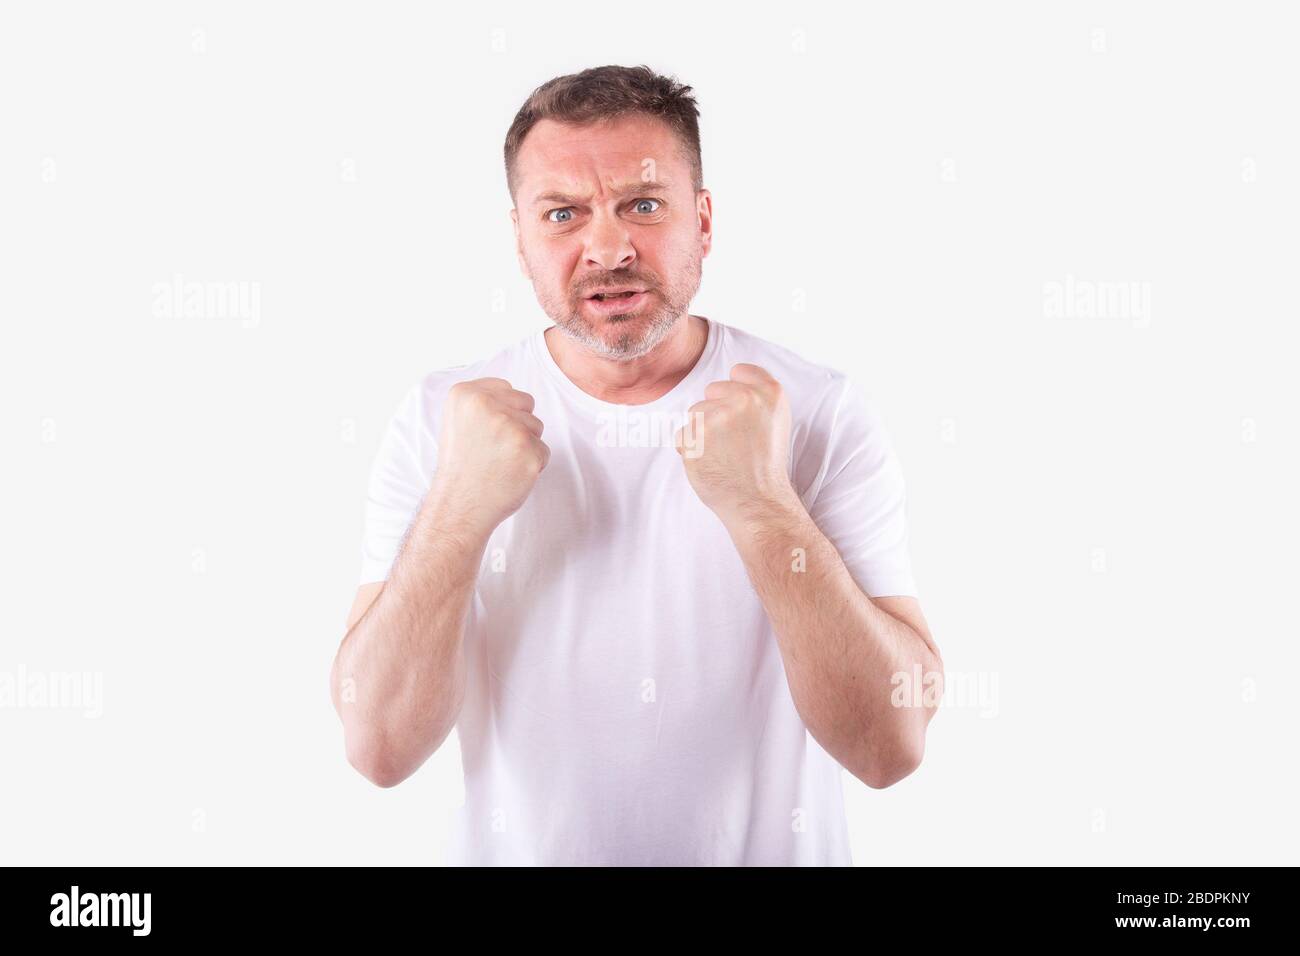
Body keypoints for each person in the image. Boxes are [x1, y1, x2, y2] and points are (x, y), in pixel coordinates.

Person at [330, 64, 943, 866]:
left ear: (705, 222)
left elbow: (889, 747)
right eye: (564, 214)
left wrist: (762, 506)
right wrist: (458, 509)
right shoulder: (438, 420)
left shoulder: (819, 409)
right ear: (521, 240)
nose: (608, 247)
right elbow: (377, 748)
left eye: (643, 205)